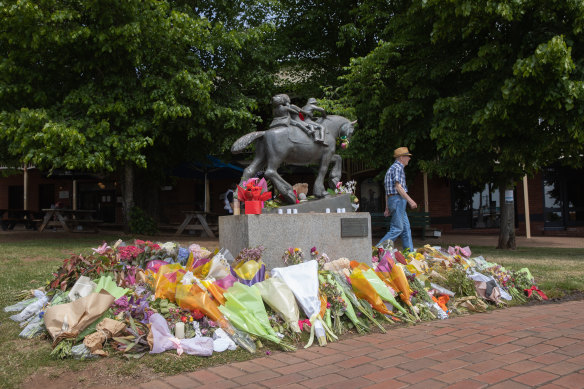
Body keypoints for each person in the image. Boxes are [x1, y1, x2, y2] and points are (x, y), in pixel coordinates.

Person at [376, 147, 417, 251]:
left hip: (394, 200)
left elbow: (387, 191)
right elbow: (398, 187)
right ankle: (376, 249)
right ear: (401, 157)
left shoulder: (391, 169)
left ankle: (409, 254)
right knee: (397, 228)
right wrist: (410, 200)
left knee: (406, 229)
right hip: (398, 200)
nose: (409, 159)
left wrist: (387, 207)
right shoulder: (398, 168)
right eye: (407, 156)